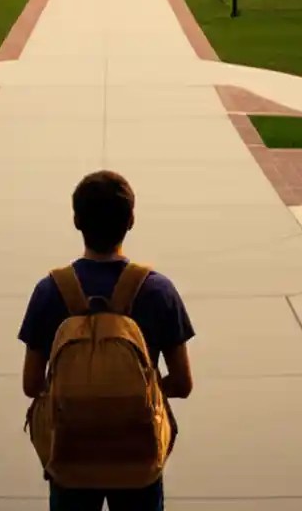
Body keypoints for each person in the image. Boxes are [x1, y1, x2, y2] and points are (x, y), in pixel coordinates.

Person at [19, 170, 195, 511]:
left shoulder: (50, 290)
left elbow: (31, 385)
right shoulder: (158, 290)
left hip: (71, 455)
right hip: (137, 457)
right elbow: (184, 383)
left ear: (76, 221)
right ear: (131, 221)